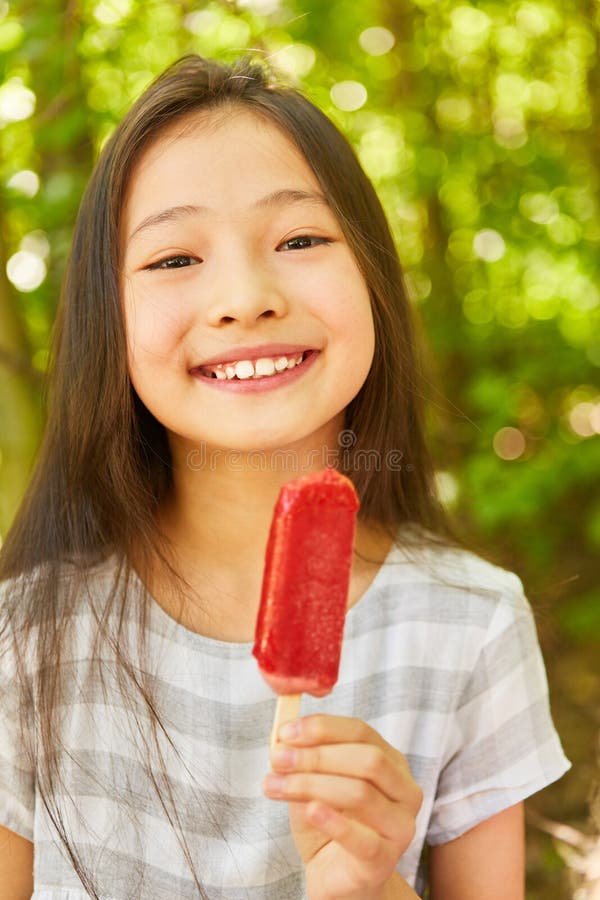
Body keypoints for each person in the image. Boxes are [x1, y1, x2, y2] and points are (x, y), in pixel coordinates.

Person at [0, 54, 569, 900]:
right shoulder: (24, 643)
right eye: (172, 259)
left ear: (374, 276)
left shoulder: (470, 626)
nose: (244, 297)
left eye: (301, 239)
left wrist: (376, 889)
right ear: (105, 321)